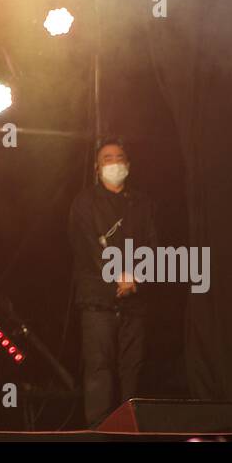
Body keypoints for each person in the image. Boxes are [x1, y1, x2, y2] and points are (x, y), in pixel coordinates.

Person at [69, 136, 159, 427]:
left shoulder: (142, 203)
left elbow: (153, 245)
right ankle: (98, 432)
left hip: (135, 301)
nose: (114, 163)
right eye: (107, 158)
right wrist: (115, 280)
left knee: (133, 371)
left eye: (119, 157)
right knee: (99, 371)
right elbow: (87, 248)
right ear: (97, 167)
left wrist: (136, 279)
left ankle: (131, 432)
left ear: (128, 165)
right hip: (98, 301)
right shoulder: (84, 203)